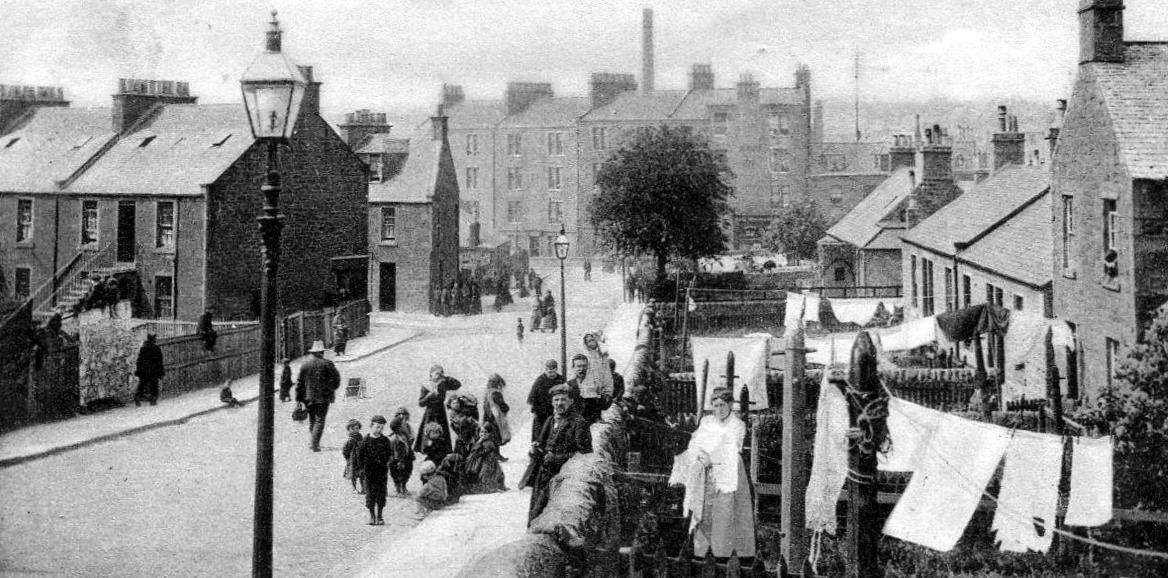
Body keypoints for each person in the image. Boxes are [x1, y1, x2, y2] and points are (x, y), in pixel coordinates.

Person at [671, 387, 756, 560]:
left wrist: (713, 458)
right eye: (715, 405)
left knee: (725, 514)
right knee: (704, 511)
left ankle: (724, 554)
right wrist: (702, 456)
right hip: (705, 471)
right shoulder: (706, 422)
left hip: (728, 472)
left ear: (731, 405)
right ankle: (702, 552)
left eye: (723, 405)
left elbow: (733, 449)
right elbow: (695, 444)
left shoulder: (737, 425)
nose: (719, 409)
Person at [524, 384, 592, 524]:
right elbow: (542, 444)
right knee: (535, 515)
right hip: (543, 476)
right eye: (556, 400)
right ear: (552, 402)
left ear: (571, 401)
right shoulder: (550, 420)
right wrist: (535, 450)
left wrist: (556, 458)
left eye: (563, 399)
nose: (559, 403)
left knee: (555, 519)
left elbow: (585, 455)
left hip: (563, 479)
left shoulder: (579, 423)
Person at [294, 340, 342, 452]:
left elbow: (299, 383)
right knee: (319, 419)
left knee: (312, 419)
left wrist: (299, 398)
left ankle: (313, 441)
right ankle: (314, 444)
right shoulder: (328, 364)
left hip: (308, 397)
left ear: (313, 353)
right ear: (322, 352)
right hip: (323, 397)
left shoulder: (305, 365)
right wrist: (331, 389)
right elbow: (337, 380)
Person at [414, 365, 461, 452]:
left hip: (440, 412)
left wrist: (446, 378)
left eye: (440, 373)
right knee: (429, 436)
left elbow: (457, 384)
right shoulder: (426, 386)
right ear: (431, 375)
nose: (438, 376)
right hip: (430, 413)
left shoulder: (442, 383)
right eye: (436, 374)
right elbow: (421, 403)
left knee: (442, 436)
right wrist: (429, 396)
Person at [359, 415, 393, 525]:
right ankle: (372, 516)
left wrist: (386, 463)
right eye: (377, 427)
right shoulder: (365, 441)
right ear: (371, 426)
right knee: (370, 495)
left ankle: (380, 515)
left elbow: (389, 455)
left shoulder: (385, 440)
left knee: (381, 495)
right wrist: (362, 470)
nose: (379, 430)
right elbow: (360, 457)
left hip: (381, 473)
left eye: (382, 428)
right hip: (369, 474)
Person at [577, 332, 614, 421]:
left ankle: (597, 417)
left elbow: (606, 372)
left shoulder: (601, 355)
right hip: (589, 383)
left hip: (600, 382)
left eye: (592, 340)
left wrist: (607, 387)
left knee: (598, 400)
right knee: (589, 401)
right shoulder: (586, 356)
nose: (591, 343)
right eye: (588, 341)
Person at [526, 360, 565, 443]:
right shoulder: (540, 380)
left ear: (556, 369)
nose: (551, 374)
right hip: (541, 412)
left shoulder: (561, 379)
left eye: (553, 372)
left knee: (555, 431)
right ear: (546, 370)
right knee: (540, 433)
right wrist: (535, 411)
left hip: (555, 410)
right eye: (549, 372)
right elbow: (532, 398)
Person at [465, 421, 506, 494]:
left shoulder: (489, 442)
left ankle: (492, 487)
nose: (483, 434)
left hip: (488, 462)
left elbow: (483, 452)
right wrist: (479, 442)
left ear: (489, 434)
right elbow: (473, 450)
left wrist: (479, 444)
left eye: (485, 432)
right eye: (481, 432)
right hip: (479, 461)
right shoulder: (478, 441)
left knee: (486, 475)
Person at [483, 374, 511, 457]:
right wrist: (506, 408)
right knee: (497, 436)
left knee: (491, 436)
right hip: (496, 418)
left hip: (488, 417)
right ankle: (496, 455)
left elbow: (485, 407)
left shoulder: (487, 392)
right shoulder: (496, 393)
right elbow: (502, 405)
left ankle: (495, 454)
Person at [133, 334, 165, 407]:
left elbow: (139, 360)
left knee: (142, 385)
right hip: (153, 370)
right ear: (153, 340)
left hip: (143, 370)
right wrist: (161, 373)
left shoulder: (143, 348)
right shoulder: (156, 348)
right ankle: (153, 399)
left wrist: (139, 370)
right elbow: (159, 361)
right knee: (154, 385)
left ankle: (137, 397)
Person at [388, 416, 414, 496]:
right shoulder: (395, 438)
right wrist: (400, 461)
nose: (404, 426)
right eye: (403, 424)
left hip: (406, 458)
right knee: (397, 474)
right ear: (398, 427)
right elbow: (396, 451)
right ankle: (398, 489)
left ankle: (404, 487)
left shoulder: (404, 435)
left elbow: (408, 445)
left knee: (406, 473)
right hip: (398, 460)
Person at [342, 419, 365, 494]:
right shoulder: (350, 440)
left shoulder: (361, 437)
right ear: (349, 429)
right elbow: (345, 451)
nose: (355, 430)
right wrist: (349, 458)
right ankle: (354, 488)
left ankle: (363, 488)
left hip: (361, 459)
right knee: (353, 475)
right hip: (353, 460)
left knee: (362, 475)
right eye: (353, 429)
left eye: (357, 428)